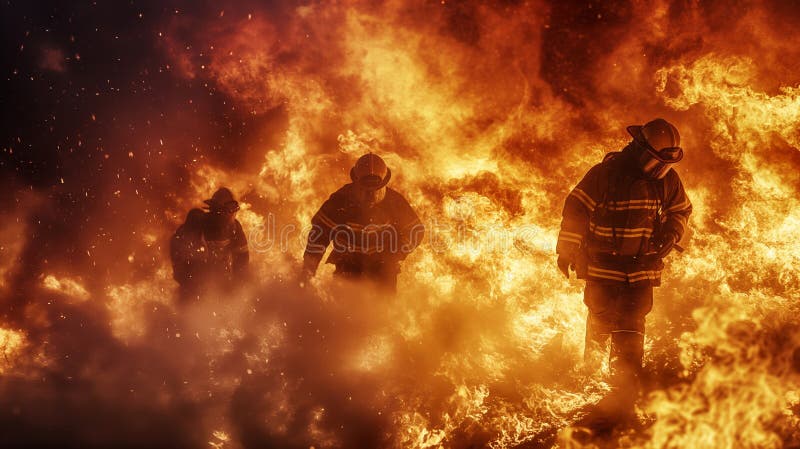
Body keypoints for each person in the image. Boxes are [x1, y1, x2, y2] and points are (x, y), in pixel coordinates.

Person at [556, 118, 692, 412]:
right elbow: (576, 209)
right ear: (639, 149)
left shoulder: (668, 181)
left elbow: (680, 210)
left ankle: (623, 393)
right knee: (602, 320)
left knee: (633, 324)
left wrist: (671, 232)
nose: (659, 171)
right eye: (655, 163)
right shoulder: (604, 176)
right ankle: (588, 381)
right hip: (603, 270)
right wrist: (566, 250)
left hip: (642, 270)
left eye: (664, 165)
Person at [302, 153, 424, 292]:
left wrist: (395, 254)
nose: (370, 196)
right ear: (356, 182)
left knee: (384, 310)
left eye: (376, 191)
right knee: (344, 311)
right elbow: (319, 236)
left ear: (384, 183)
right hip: (348, 267)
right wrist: (308, 272)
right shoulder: (339, 201)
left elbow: (416, 229)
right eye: (365, 190)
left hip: (383, 269)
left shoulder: (394, 202)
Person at [170, 187, 249, 301]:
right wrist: (184, 277)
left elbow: (242, 259)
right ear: (216, 210)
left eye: (232, 210)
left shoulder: (235, 228)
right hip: (194, 283)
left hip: (221, 282)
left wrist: (237, 285)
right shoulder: (197, 225)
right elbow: (177, 246)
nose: (230, 215)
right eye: (226, 211)